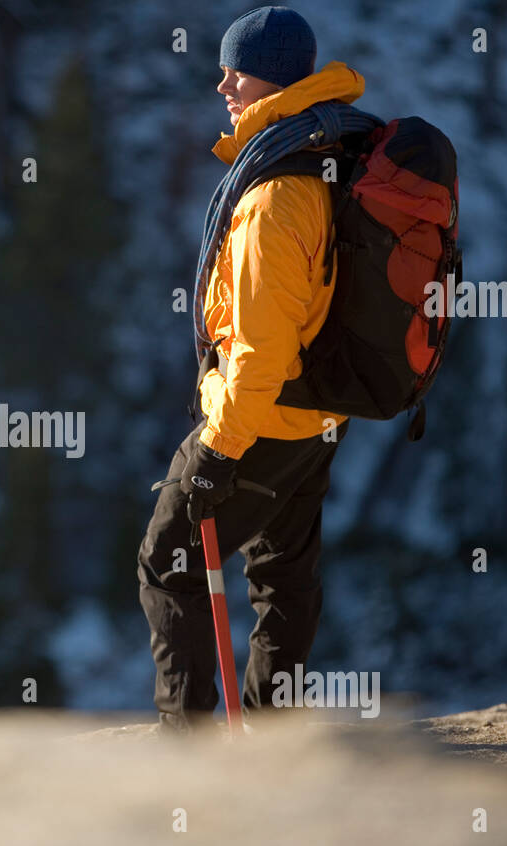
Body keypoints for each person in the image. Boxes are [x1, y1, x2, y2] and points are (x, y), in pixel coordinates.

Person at [138, 5, 365, 733]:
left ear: (269, 78)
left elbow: (261, 351)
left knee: (166, 559)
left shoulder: (274, 194)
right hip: (317, 415)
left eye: (235, 71)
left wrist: (217, 452)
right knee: (284, 578)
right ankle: (273, 741)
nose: (222, 84)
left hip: (261, 416)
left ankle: (190, 745)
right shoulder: (323, 150)